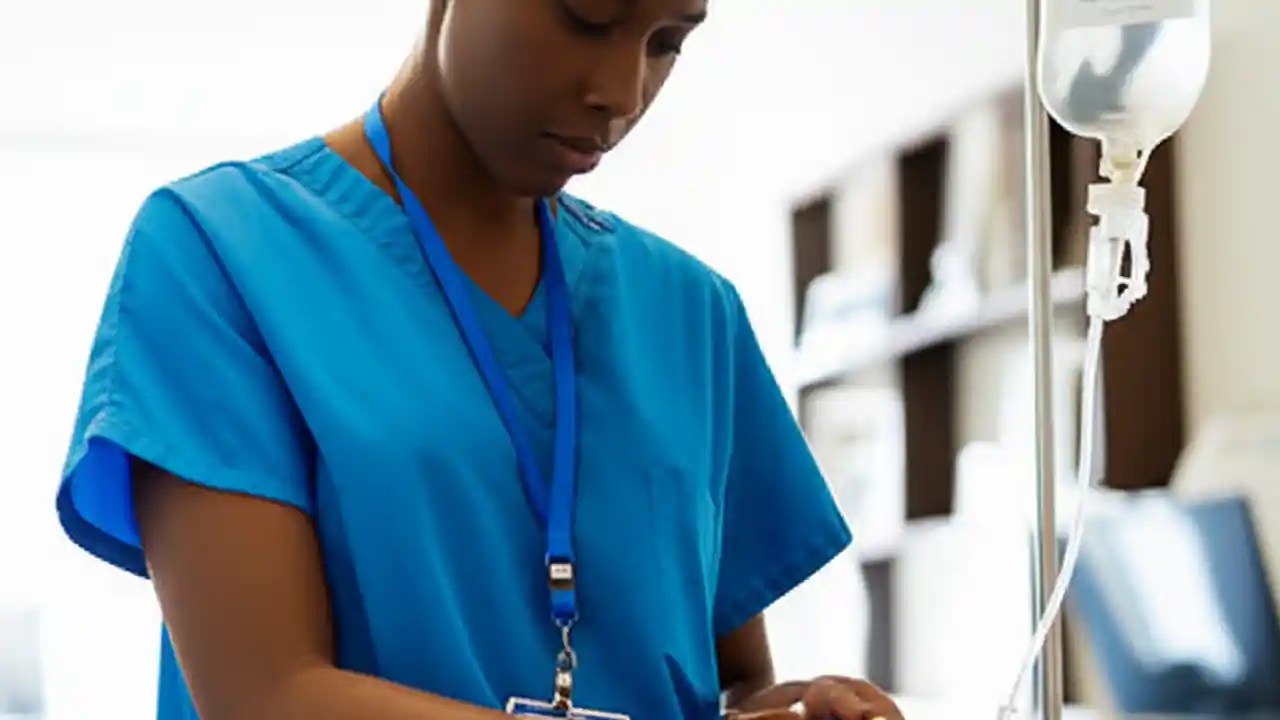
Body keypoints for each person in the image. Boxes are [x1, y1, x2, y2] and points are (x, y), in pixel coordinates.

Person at [55, 1, 904, 719]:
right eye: (587, 17)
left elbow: (730, 685)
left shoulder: (692, 310)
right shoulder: (221, 250)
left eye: (667, 41)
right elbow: (266, 697)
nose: (619, 93)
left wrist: (794, 710)